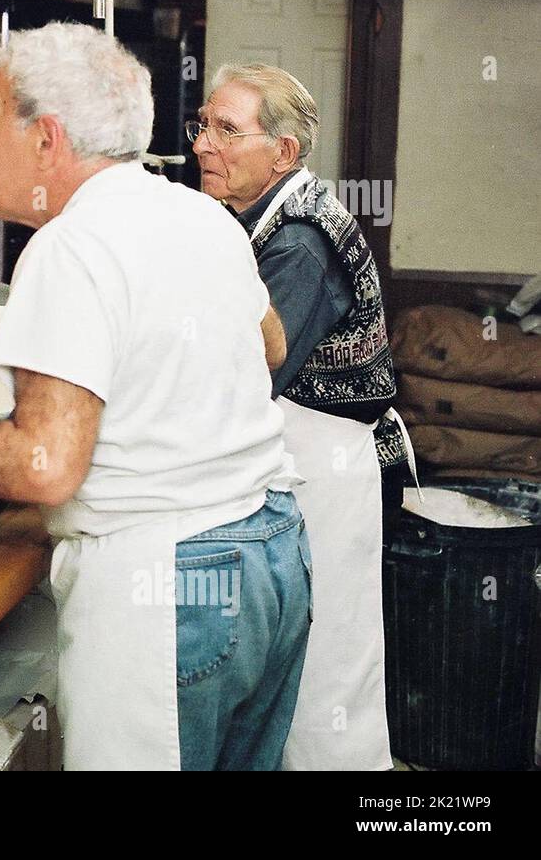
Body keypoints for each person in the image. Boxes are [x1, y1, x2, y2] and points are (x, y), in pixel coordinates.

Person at [0, 23, 311, 770]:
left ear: (48, 138)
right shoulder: (197, 213)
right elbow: (272, 343)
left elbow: (44, 465)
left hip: (172, 580)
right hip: (272, 552)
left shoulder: (71, 245)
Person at [191, 62, 401, 771]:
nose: (202, 144)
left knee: (325, 667)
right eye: (203, 124)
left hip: (325, 471)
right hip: (298, 459)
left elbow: (254, 373)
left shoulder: (302, 242)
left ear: (282, 152)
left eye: (226, 129)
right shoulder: (253, 219)